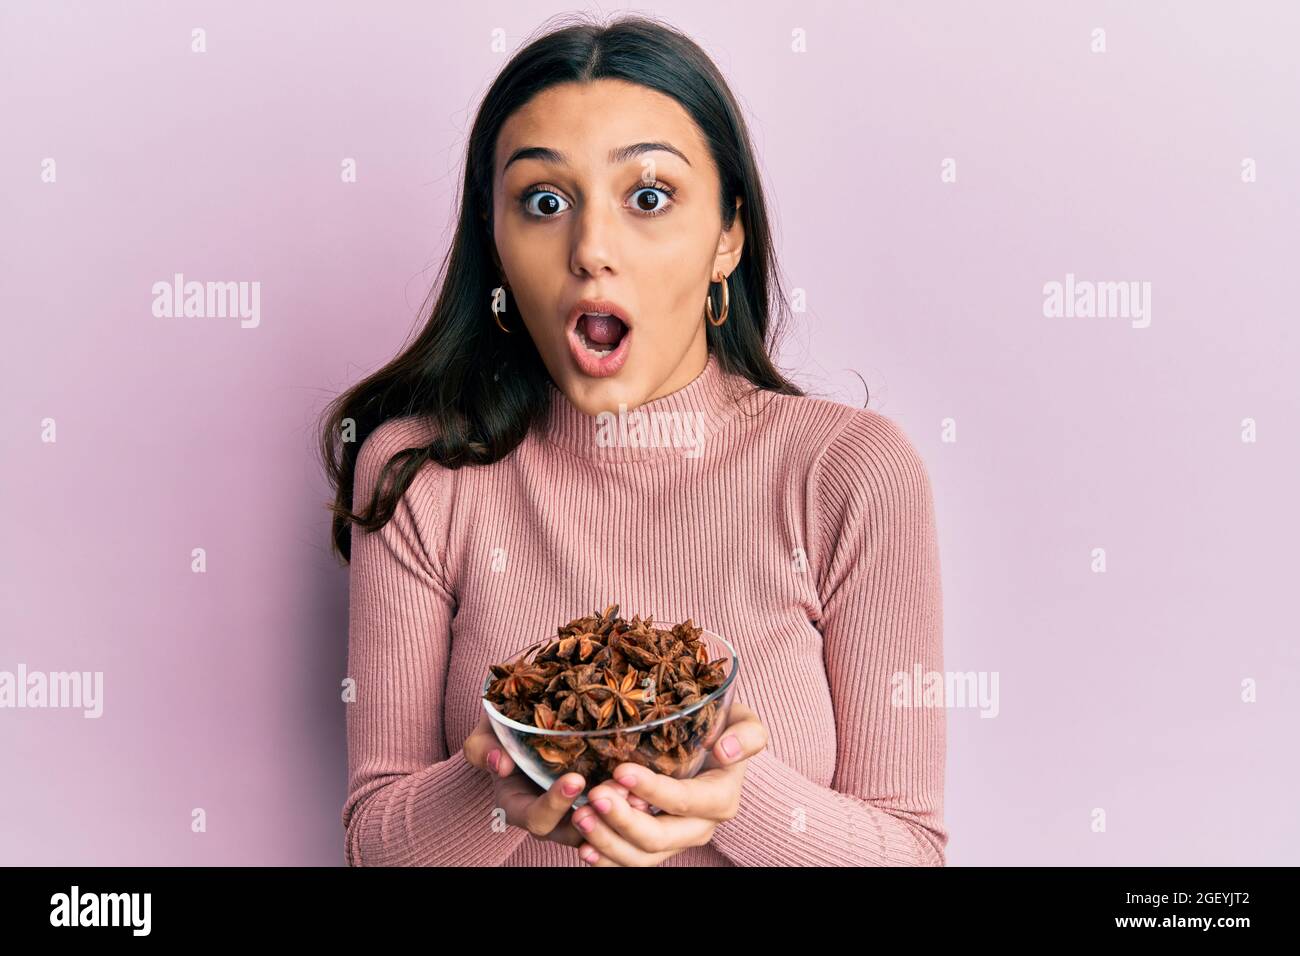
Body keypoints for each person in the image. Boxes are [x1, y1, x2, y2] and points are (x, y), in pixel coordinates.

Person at [322, 12, 947, 866]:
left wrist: (716, 774)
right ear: (495, 240)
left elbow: (913, 853)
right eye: (543, 201)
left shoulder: (849, 473)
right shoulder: (419, 473)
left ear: (728, 234)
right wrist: (495, 787)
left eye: (648, 197)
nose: (591, 249)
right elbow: (374, 848)